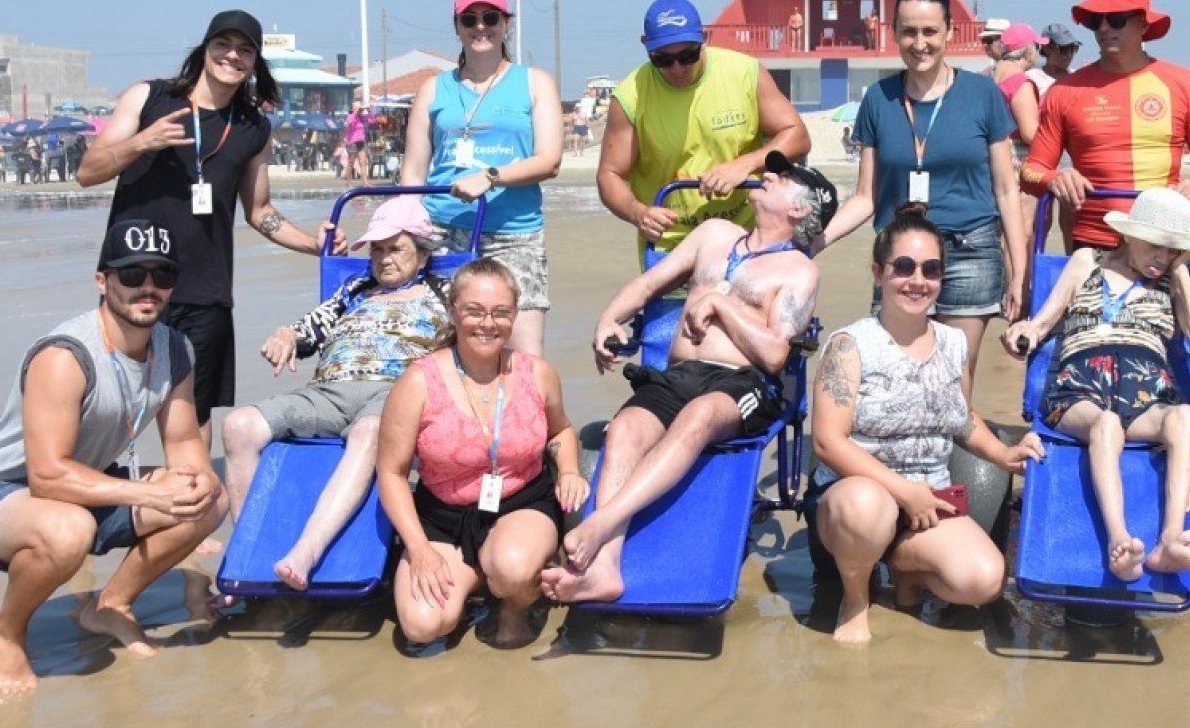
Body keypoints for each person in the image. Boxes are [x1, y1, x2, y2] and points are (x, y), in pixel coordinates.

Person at [0, 220, 227, 696]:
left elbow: (182, 442)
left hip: (85, 486)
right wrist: (144, 491)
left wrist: (193, 484)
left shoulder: (174, 348)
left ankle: (110, 605)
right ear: (103, 281)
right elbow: (47, 475)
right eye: (132, 276)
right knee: (69, 530)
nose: (148, 288)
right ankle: (6, 631)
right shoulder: (65, 355)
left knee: (211, 497)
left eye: (162, 276)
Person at [543, 157, 833, 605]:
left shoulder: (798, 270)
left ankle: (602, 521)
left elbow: (776, 354)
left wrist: (722, 307)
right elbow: (649, 283)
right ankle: (604, 571)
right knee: (624, 430)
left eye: (783, 178)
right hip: (680, 374)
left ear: (799, 209)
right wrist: (610, 318)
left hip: (744, 382)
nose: (768, 175)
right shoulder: (715, 234)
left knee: (698, 416)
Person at [78, 10, 330, 430]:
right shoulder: (149, 98)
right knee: (110, 404)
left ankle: (193, 490)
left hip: (205, 292)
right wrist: (143, 141)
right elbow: (89, 172)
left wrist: (315, 245)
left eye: (245, 49)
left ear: (254, 62)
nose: (232, 55)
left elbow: (259, 211)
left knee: (193, 416)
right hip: (135, 279)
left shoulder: (253, 128)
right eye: (223, 45)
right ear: (205, 48)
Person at [809, 206, 1043, 645]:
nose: (918, 280)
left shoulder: (954, 343)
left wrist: (1004, 454)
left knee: (984, 580)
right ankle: (856, 597)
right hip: (853, 502)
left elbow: (960, 417)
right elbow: (826, 442)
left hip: (927, 502)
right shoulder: (850, 345)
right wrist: (905, 492)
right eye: (904, 266)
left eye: (931, 269)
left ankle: (904, 567)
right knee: (864, 504)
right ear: (878, 272)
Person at [220, 196, 452, 589]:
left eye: (395, 248)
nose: (384, 259)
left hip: (395, 393)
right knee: (238, 425)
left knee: (371, 433)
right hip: (328, 391)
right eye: (377, 250)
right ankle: (249, 554)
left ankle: (305, 553)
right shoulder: (354, 290)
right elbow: (308, 327)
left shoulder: (444, 293)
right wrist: (285, 335)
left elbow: (476, 340)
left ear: (424, 253)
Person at [820, 0, 1027, 388]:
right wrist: (814, 242)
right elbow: (866, 196)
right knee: (894, 375)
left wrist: (1019, 272)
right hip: (900, 254)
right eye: (909, 32)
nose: (920, 43)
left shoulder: (982, 94)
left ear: (949, 32)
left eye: (930, 32)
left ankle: (950, 453)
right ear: (894, 32)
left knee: (954, 381)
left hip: (971, 251)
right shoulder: (879, 99)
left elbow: (1006, 190)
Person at [375, 259, 588, 648]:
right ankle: (477, 576)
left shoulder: (538, 373)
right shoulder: (417, 382)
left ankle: (514, 602)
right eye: (474, 311)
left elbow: (561, 430)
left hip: (521, 502)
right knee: (423, 627)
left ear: (514, 317)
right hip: (443, 517)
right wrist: (420, 549)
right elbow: (391, 472)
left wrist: (570, 469)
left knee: (511, 567)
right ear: (454, 310)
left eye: (500, 313)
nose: (487, 324)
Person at [1002, 187, 1190, 580]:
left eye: (1172, 249)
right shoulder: (1086, 262)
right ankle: (1120, 541)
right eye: (1155, 246)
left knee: (1183, 416)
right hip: (1079, 389)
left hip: (1147, 392)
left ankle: (1169, 541)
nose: (1161, 258)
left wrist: (1181, 270)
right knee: (1105, 423)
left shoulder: (1171, 282)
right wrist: (1021, 333)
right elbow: (1041, 323)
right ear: (1129, 234)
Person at [399, 0, 565, 354]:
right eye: (469, 19)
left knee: (523, 357)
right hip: (442, 231)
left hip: (514, 234)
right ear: (456, 26)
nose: (480, 27)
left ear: (507, 23)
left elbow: (550, 160)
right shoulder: (433, 88)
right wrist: (402, 229)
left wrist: (490, 177)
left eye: (490, 17)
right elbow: (413, 174)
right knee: (435, 351)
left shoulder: (534, 82)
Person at [1021, 0, 1190, 251]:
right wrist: (1055, 178)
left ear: (1143, 23)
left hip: (1163, 243)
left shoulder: (1181, 83)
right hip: (1091, 245)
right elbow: (1032, 170)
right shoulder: (1065, 91)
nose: (1105, 29)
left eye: (1117, 19)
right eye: (1096, 21)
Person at [596, 0, 811, 260]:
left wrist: (744, 165)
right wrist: (637, 213)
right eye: (662, 59)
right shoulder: (630, 96)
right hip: (671, 245)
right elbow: (610, 174)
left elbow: (798, 136)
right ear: (645, 46)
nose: (677, 68)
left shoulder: (744, 72)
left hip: (746, 237)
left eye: (688, 55)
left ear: (704, 39)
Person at [992, 21, 1046, 148]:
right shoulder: (1020, 83)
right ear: (1029, 51)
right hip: (1016, 161)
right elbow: (1030, 134)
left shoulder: (991, 76)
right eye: (1037, 47)